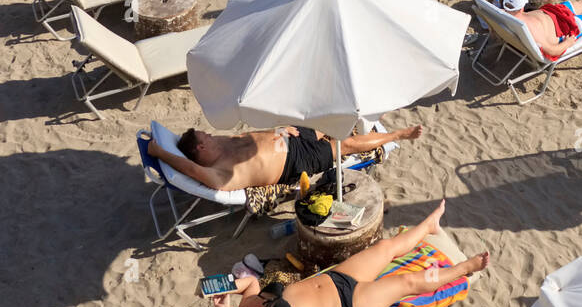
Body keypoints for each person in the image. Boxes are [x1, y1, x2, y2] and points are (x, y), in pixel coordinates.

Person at [204, 201, 489, 307]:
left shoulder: (251, 303)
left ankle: (429, 225)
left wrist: (226, 292)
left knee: (384, 248)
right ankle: (464, 268)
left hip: (338, 278)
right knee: (407, 283)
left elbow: (248, 283)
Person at [147, 121, 423, 193]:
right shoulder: (219, 172)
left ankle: (368, 120)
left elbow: (250, 136)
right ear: (200, 150)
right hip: (295, 162)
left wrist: (276, 130)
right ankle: (398, 135)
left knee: (328, 125)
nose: (209, 134)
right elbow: (190, 170)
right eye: (204, 136)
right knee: (346, 144)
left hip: (288, 135)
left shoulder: (220, 143)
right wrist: (159, 152)